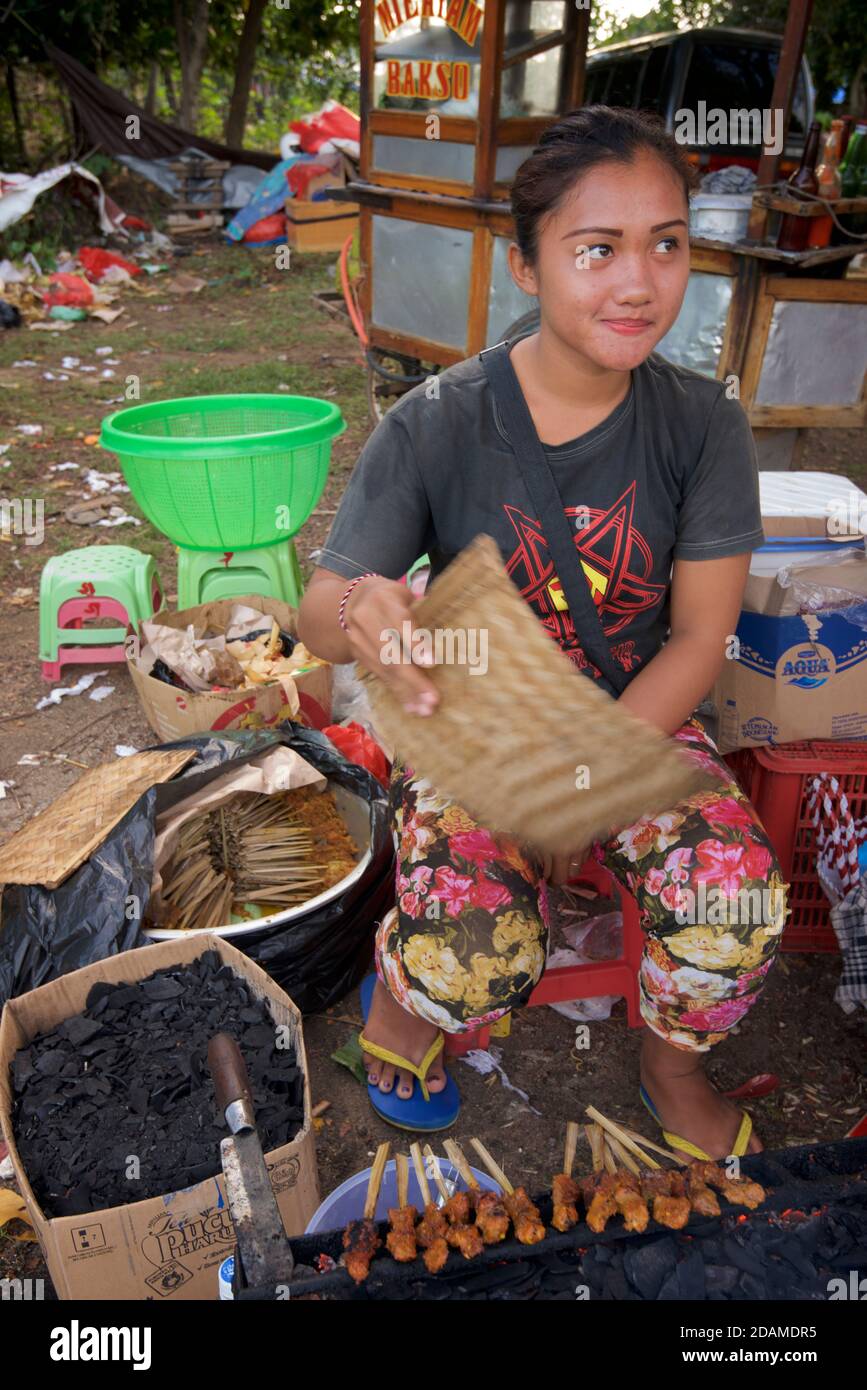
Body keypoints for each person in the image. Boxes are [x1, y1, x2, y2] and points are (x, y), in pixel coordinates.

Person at [297, 106, 786, 1160]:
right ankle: (405, 1001)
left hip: (636, 718)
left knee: (734, 899)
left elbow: (699, 638)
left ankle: (669, 1064)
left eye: (667, 242)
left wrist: (582, 784)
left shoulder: (703, 426)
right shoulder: (435, 419)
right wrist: (360, 610)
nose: (640, 280)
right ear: (524, 263)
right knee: (471, 951)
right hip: (476, 724)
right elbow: (321, 614)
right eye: (597, 248)